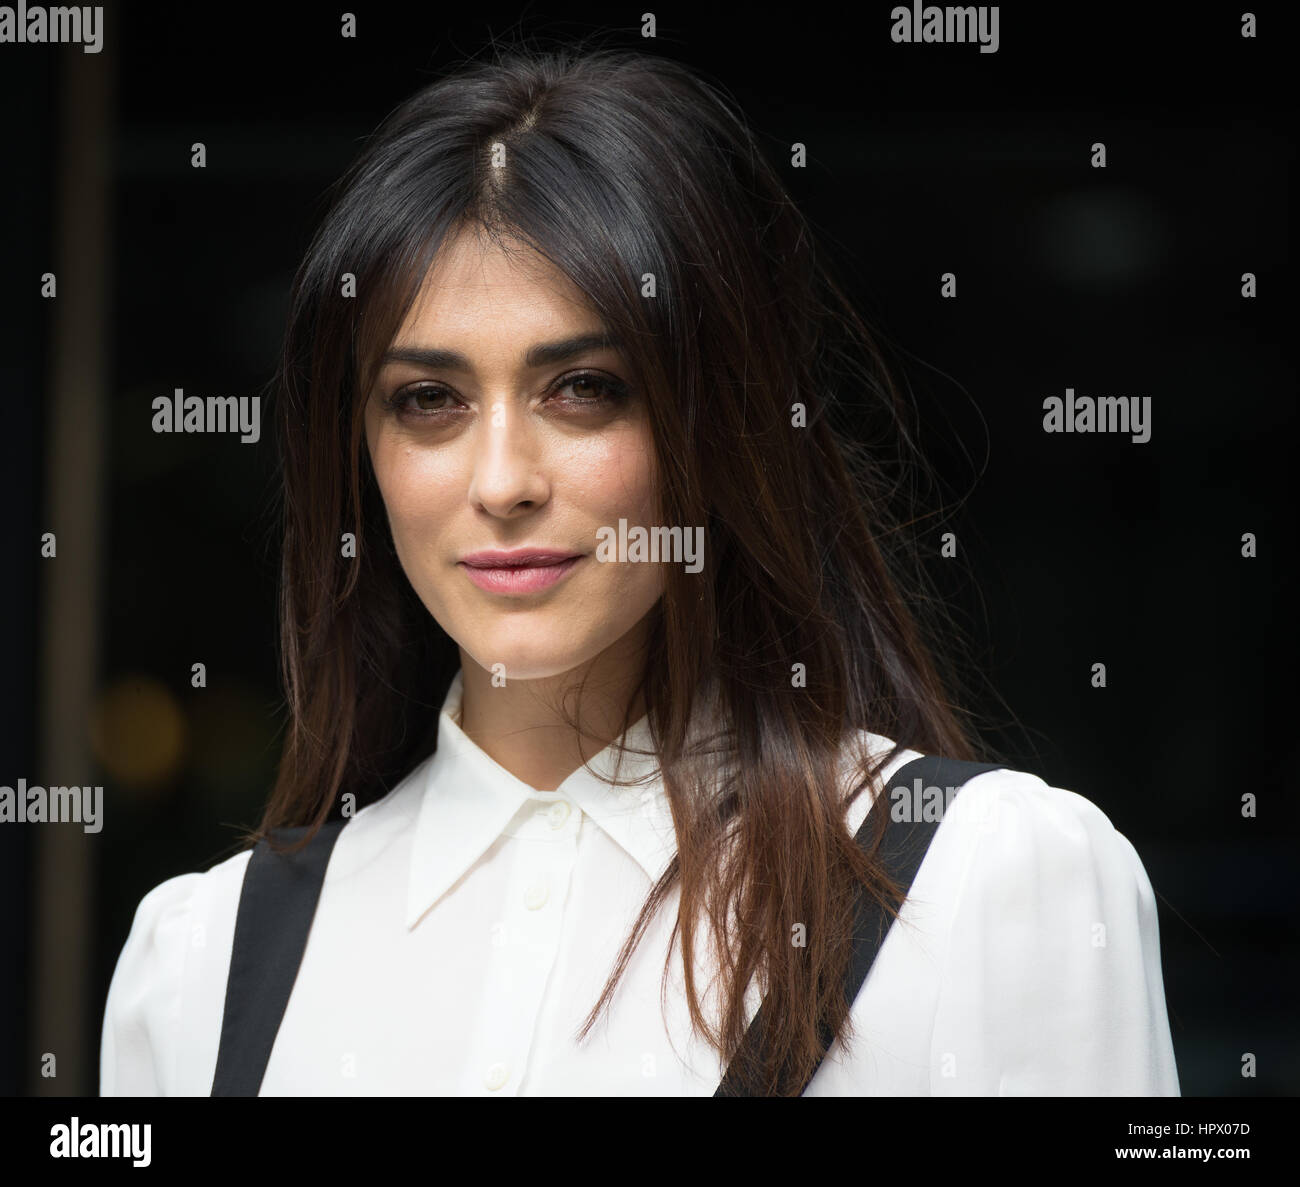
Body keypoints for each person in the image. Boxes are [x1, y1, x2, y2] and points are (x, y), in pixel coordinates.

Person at [99, 42, 1179, 1096]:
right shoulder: (202, 962)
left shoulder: (987, 884)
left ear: (719, 422)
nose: (504, 479)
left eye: (583, 387)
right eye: (429, 400)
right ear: (361, 452)